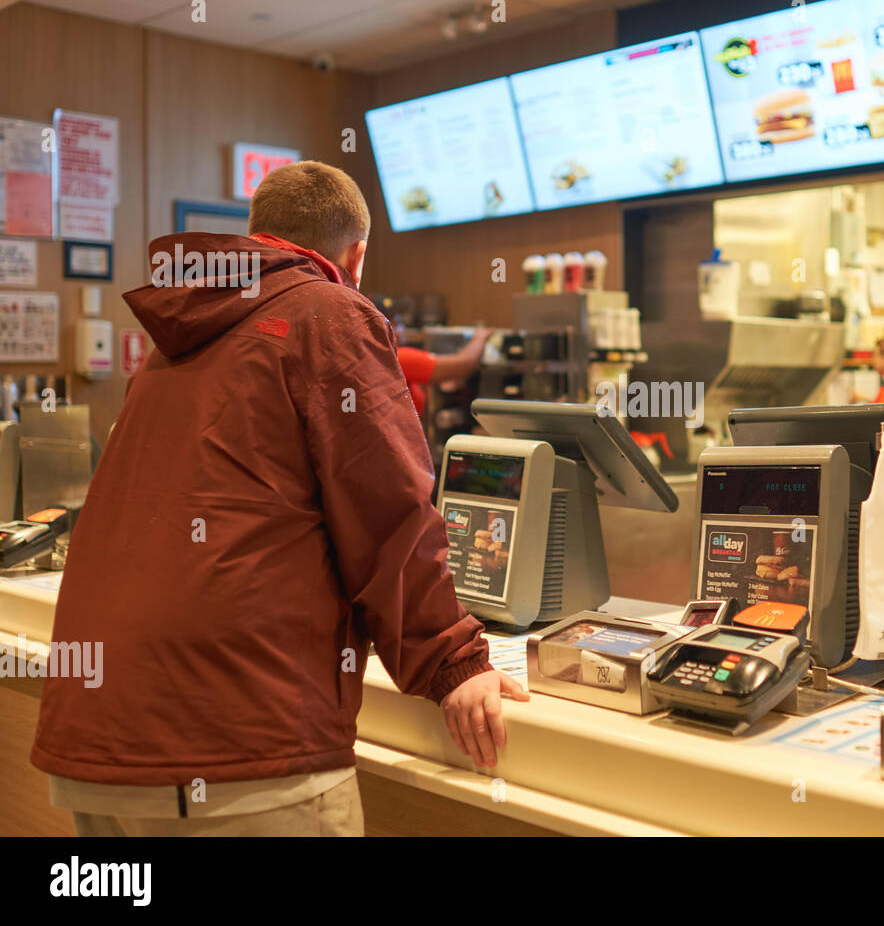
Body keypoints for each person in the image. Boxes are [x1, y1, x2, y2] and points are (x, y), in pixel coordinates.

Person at [30, 160, 528, 836]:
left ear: (255, 238)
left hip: (98, 732)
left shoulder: (170, 338)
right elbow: (387, 510)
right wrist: (452, 658)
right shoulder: (332, 313)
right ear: (355, 256)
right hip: (236, 736)